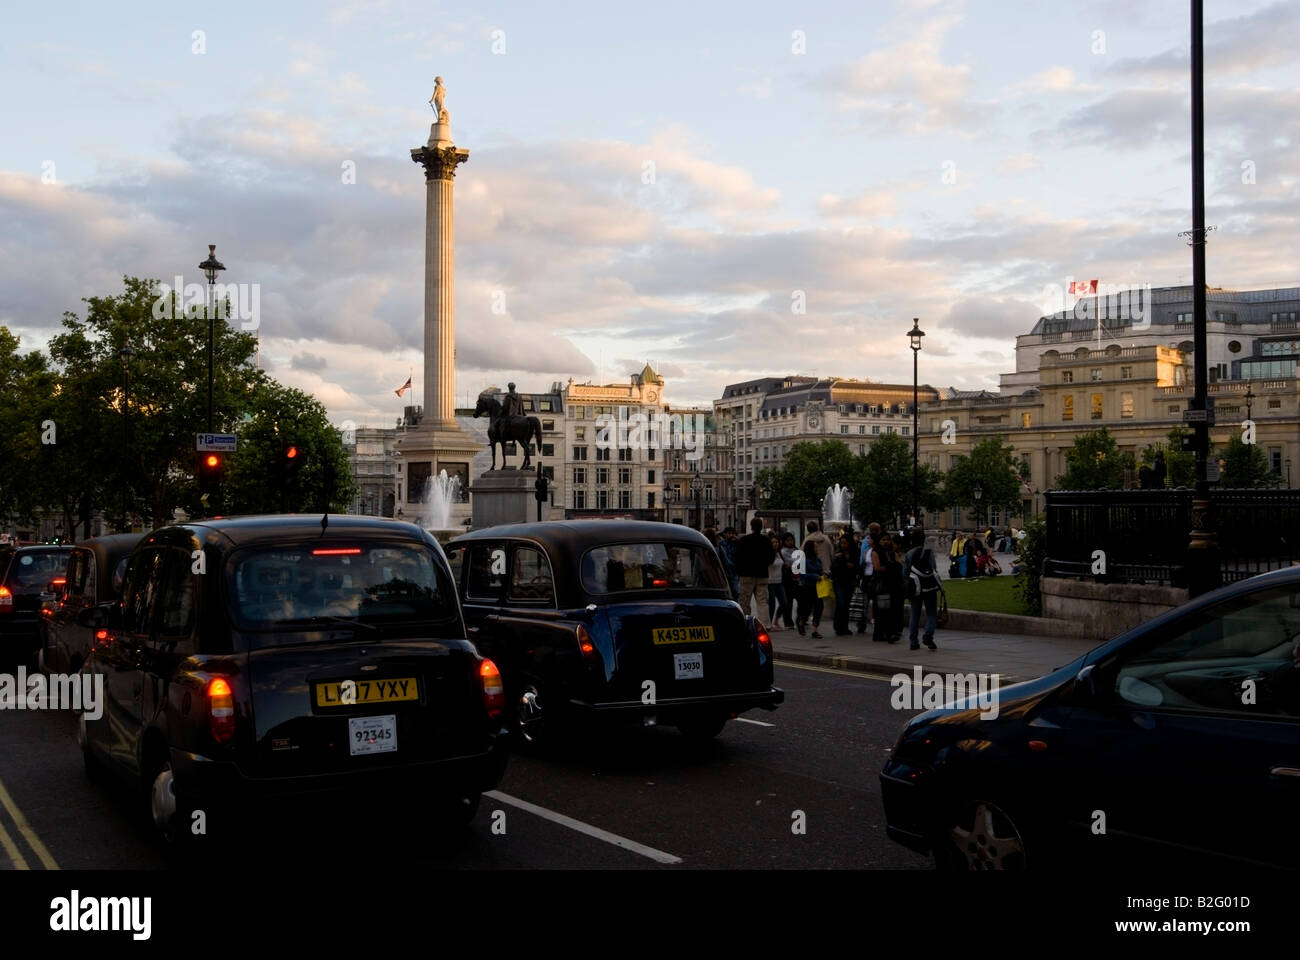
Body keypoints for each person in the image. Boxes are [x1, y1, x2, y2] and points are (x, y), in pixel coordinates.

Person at [904, 529, 942, 650]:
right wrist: (940, 586)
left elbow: (905, 573)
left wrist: (906, 588)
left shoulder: (909, 554)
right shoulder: (929, 552)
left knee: (915, 614)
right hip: (929, 587)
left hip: (916, 587)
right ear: (923, 540)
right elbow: (934, 569)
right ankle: (928, 635)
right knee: (931, 614)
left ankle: (913, 642)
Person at [735, 517, 776, 618]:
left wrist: (739, 571)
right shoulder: (766, 540)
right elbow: (771, 558)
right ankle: (765, 624)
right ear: (761, 527)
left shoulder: (744, 540)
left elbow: (737, 557)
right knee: (762, 601)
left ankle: (745, 622)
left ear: (751, 526)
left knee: (744, 601)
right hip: (762, 574)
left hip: (746, 574)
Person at [798, 521, 833, 639]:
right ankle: (802, 621)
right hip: (808, 586)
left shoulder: (807, 542)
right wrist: (819, 574)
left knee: (819, 606)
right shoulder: (826, 539)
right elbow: (802, 574)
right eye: (815, 547)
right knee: (808, 607)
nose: (817, 547)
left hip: (818, 585)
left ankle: (814, 630)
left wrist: (821, 574)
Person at [831, 531, 857, 636]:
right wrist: (845, 564)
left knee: (846, 604)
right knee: (841, 603)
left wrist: (852, 566)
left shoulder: (854, 553)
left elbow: (857, 566)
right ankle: (838, 626)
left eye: (845, 543)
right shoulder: (838, 554)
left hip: (850, 581)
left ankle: (844, 627)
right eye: (841, 543)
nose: (843, 545)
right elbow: (833, 568)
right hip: (839, 581)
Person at [857, 521, 881, 634]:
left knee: (868, 602)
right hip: (868, 578)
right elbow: (862, 560)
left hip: (871, 577)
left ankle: (863, 624)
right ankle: (862, 624)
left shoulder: (866, 543)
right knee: (866, 602)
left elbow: (861, 561)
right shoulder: (867, 544)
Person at [766, 534, 787, 630]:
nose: (775, 544)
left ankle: (776, 620)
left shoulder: (779, 554)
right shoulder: (767, 554)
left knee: (784, 602)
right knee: (772, 604)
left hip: (780, 582)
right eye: (773, 542)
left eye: (777, 542)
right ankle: (769, 624)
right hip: (770, 582)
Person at [779, 532, 799, 630]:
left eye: (791, 540)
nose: (790, 542)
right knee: (788, 601)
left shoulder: (796, 550)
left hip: (797, 579)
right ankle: (787, 621)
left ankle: (800, 618)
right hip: (788, 579)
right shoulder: (783, 552)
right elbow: (792, 562)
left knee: (801, 600)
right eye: (788, 540)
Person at [716, 527, 741, 599]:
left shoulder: (736, 543)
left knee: (735, 591)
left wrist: (737, 539)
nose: (731, 535)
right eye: (729, 533)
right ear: (725, 534)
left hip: (734, 572)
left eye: (733, 533)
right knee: (726, 592)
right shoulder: (721, 544)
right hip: (724, 571)